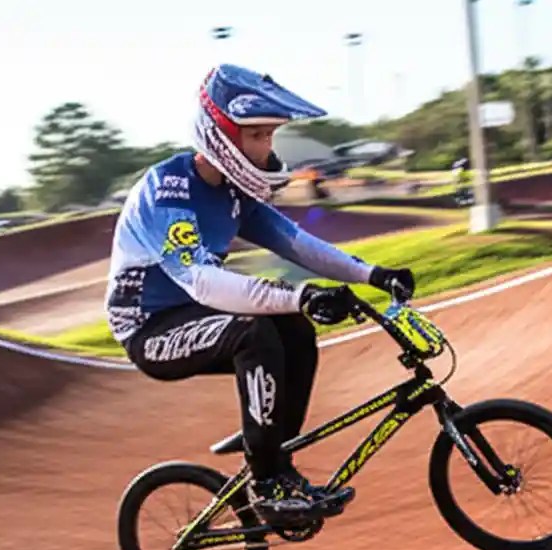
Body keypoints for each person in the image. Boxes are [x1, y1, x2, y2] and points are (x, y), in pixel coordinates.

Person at [104, 63, 415, 525]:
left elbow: (297, 243)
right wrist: (300, 294)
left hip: (196, 311)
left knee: (293, 328)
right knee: (256, 333)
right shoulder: (166, 192)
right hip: (150, 330)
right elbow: (203, 282)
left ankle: (272, 452)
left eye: (269, 135)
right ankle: (266, 483)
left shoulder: (232, 194)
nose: (268, 148)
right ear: (219, 133)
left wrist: (370, 274)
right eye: (258, 136)